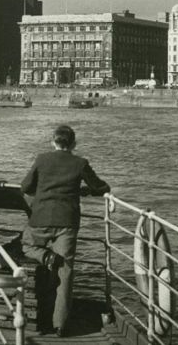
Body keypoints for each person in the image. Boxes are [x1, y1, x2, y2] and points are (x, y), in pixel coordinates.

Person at [20, 125, 110, 337]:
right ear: (73, 144)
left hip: (40, 218)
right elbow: (101, 187)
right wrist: (84, 191)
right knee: (66, 270)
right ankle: (60, 324)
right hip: (67, 221)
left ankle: (45, 256)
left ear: (53, 142)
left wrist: (41, 192)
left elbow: (25, 187)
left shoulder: (42, 159)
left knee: (25, 246)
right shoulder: (80, 163)